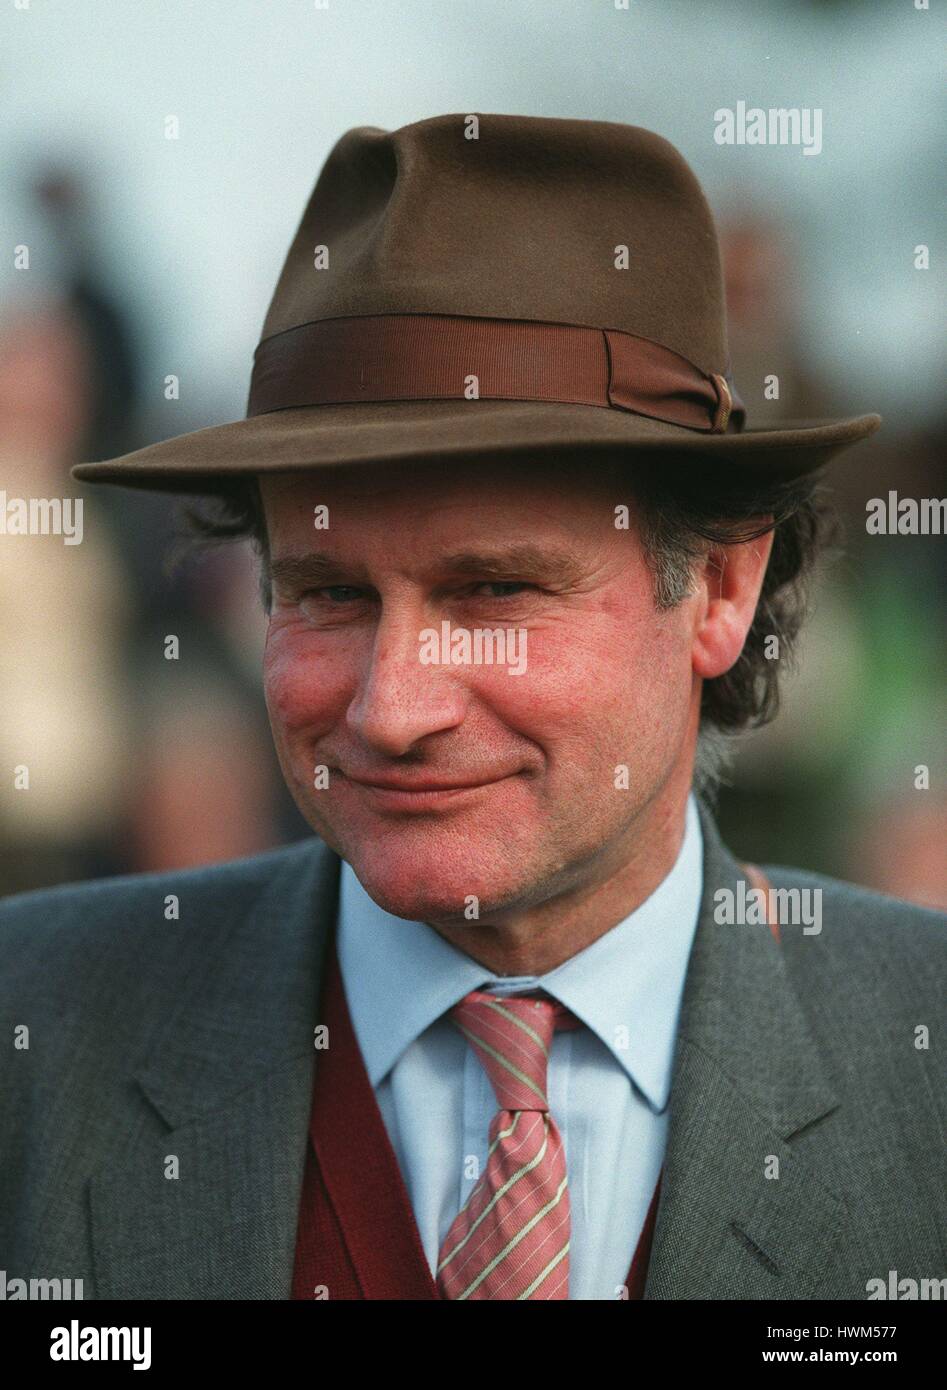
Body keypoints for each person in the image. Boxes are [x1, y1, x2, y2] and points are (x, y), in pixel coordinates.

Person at [2, 113, 943, 1301]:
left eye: (494, 588)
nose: (391, 708)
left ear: (717, 587)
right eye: (328, 594)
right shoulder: (31, 1035)